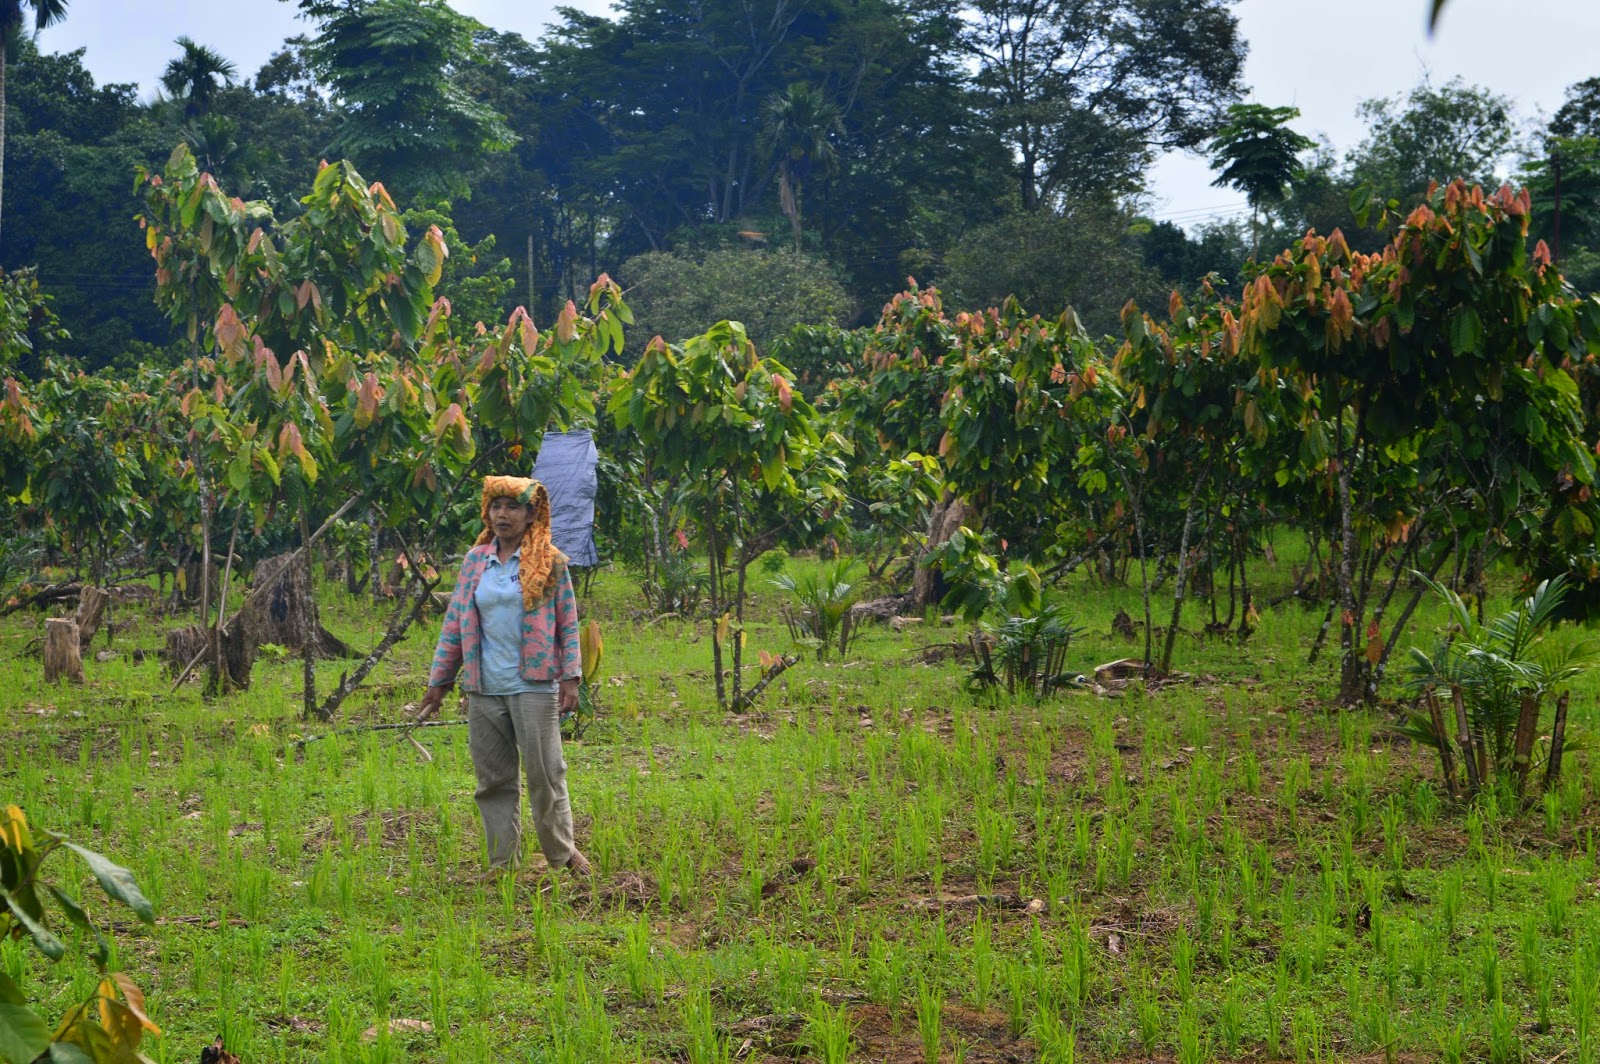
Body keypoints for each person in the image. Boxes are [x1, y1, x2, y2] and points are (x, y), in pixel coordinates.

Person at [419, 475, 592, 876]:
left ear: (532, 514)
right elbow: (456, 623)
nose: (502, 514)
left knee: (545, 775)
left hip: (532, 685)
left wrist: (571, 677)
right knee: (492, 782)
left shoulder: (550, 562)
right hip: (485, 687)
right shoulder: (475, 561)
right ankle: (502, 865)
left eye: (513, 506)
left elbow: (568, 621)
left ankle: (563, 854)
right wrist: (439, 683)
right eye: (496, 506)